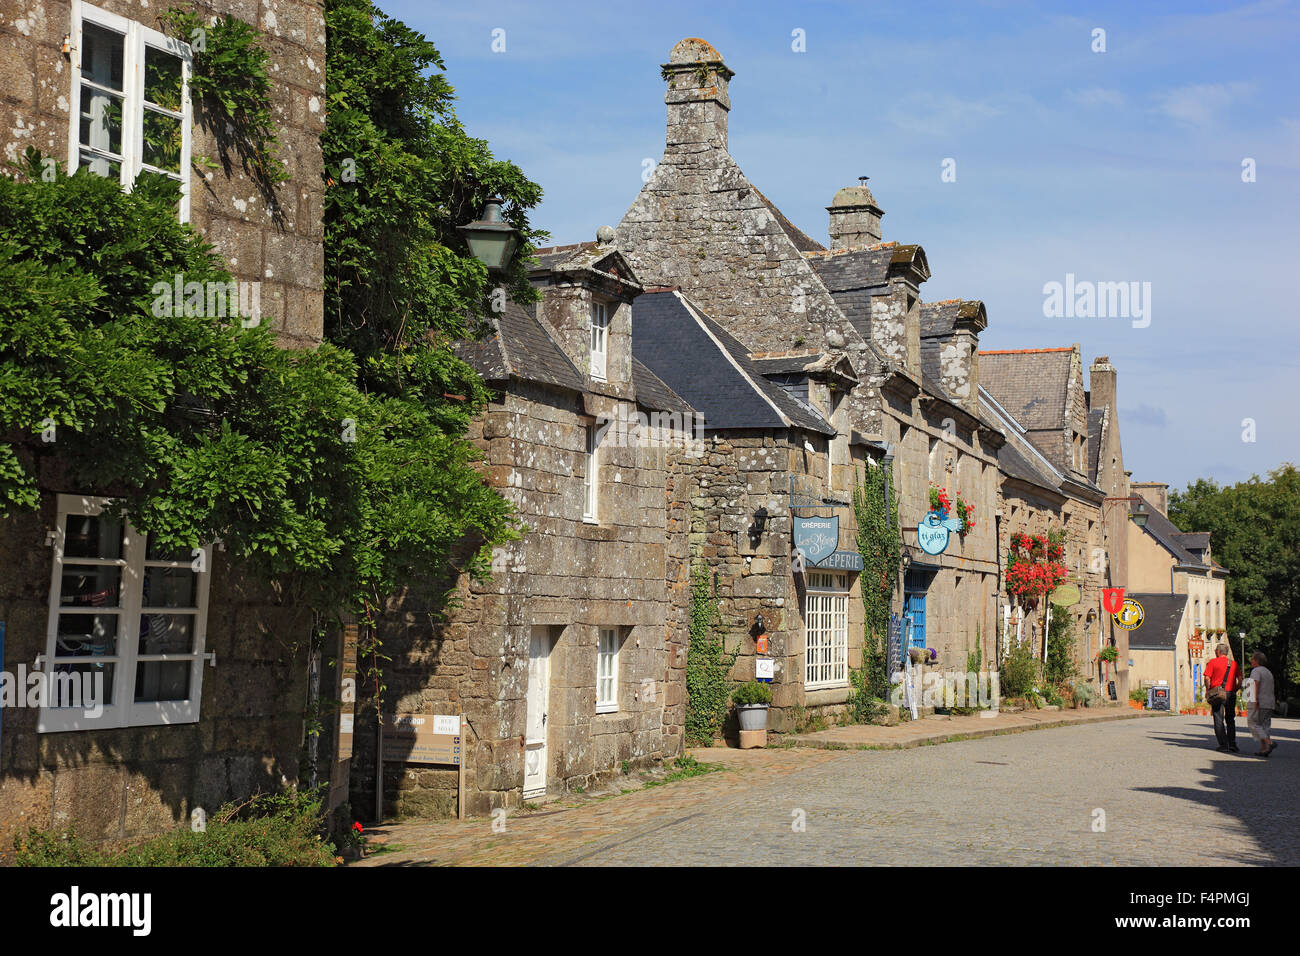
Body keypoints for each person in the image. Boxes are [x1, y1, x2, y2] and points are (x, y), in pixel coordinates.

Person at [1202, 644, 1239, 753]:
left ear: (1218, 651)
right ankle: (1232, 744)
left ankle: (1223, 745)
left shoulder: (1213, 662)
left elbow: (1207, 678)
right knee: (1230, 719)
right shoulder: (1233, 664)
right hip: (1230, 693)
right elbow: (1240, 679)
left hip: (1218, 693)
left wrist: (1208, 690)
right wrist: (1235, 689)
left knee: (1218, 719)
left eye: (1215, 650)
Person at [1244, 651, 1276, 758]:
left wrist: (1256, 699)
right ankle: (1264, 749)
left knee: (1254, 723)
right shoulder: (1268, 672)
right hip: (1269, 702)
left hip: (1260, 702)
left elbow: (1255, 684)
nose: (1251, 661)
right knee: (1265, 725)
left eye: (1252, 659)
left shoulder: (1256, 671)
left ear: (1257, 661)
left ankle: (1269, 742)